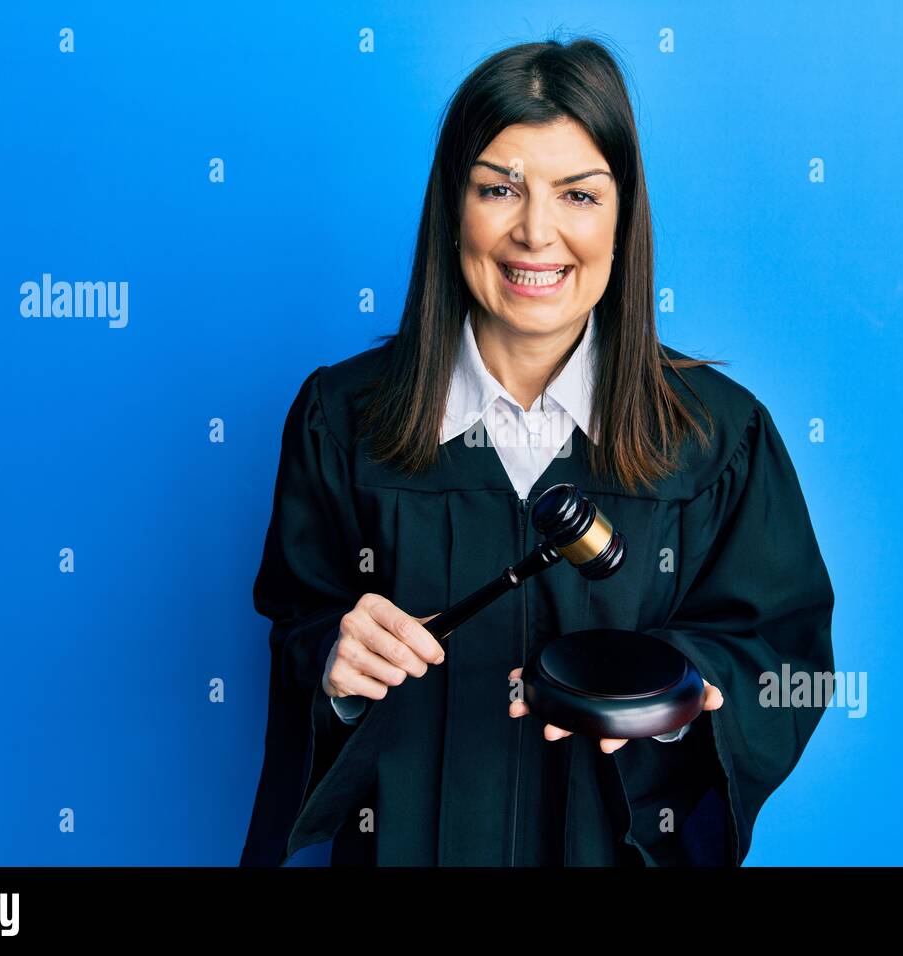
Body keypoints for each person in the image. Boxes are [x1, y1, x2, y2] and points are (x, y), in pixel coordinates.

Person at [240, 37, 835, 867]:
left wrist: (681, 682)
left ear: (624, 219)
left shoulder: (716, 438)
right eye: (498, 188)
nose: (536, 232)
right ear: (454, 209)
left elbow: (782, 652)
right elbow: (298, 629)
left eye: (579, 195)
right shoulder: (342, 421)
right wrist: (336, 668)